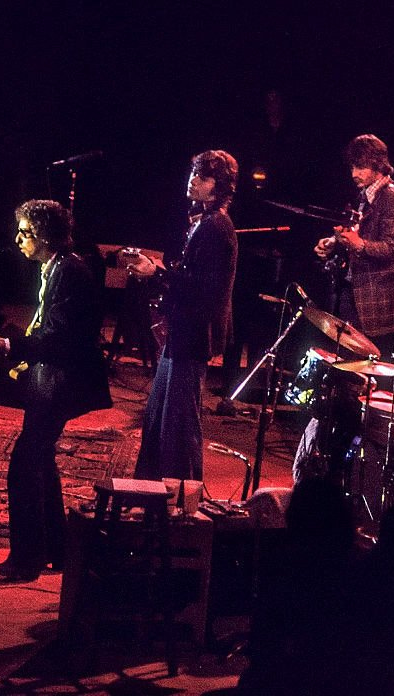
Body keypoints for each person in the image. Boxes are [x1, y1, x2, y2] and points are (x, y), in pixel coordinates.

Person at [0, 199, 111, 580]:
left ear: (47, 236)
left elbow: (59, 338)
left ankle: (27, 559)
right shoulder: (58, 268)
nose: (18, 239)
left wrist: (6, 345)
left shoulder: (71, 273)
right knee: (40, 460)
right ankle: (56, 550)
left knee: (24, 465)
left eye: (26, 233)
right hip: (54, 379)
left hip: (63, 382)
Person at [128, 150, 239, 481]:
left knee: (180, 422)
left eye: (202, 177)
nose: (193, 180)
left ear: (218, 187)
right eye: (193, 173)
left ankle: (181, 501)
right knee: (159, 416)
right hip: (182, 331)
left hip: (192, 334)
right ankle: (149, 492)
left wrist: (157, 273)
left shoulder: (216, 227)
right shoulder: (204, 222)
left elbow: (202, 288)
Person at [313, 134, 394, 355]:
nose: (354, 174)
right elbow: (358, 232)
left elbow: (392, 248)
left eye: (360, 167)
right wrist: (335, 242)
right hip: (356, 293)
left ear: (378, 165)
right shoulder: (365, 195)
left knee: (376, 366)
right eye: (352, 167)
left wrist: (358, 244)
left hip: (381, 301)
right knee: (348, 363)